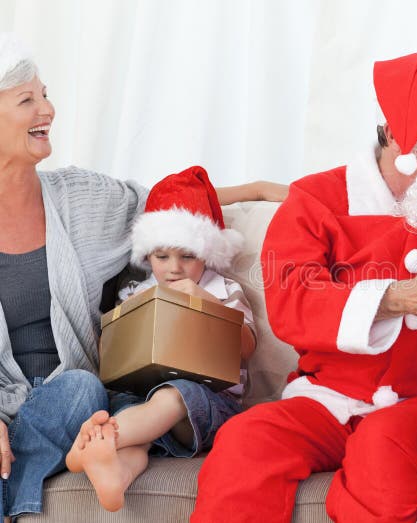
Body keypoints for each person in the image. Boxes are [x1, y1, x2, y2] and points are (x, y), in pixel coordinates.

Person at [191, 50, 417, 523]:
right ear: (396, 133)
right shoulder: (317, 200)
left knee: (383, 445)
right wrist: (397, 296)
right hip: (328, 397)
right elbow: (293, 297)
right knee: (245, 440)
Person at [0, 33, 285, 521]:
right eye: (28, 99)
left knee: (82, 392)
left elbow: (168, 202)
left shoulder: (79, 199)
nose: (48, 108)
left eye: (45, 93)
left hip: (67, 398)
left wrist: (257, 187)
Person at [64, 166, 256, 512]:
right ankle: (115, 474)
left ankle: (102, 437)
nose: (174, 268)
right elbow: (111, 353)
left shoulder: (221, 289)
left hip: (209, 405)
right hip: (144, 406)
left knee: (171, 396)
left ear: (207, 255)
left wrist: (204, 301)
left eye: (187, 256)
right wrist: (127, 321)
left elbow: (247, 346)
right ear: (147, 255)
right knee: (138, 415)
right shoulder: (138, 291)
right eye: (161, 256)